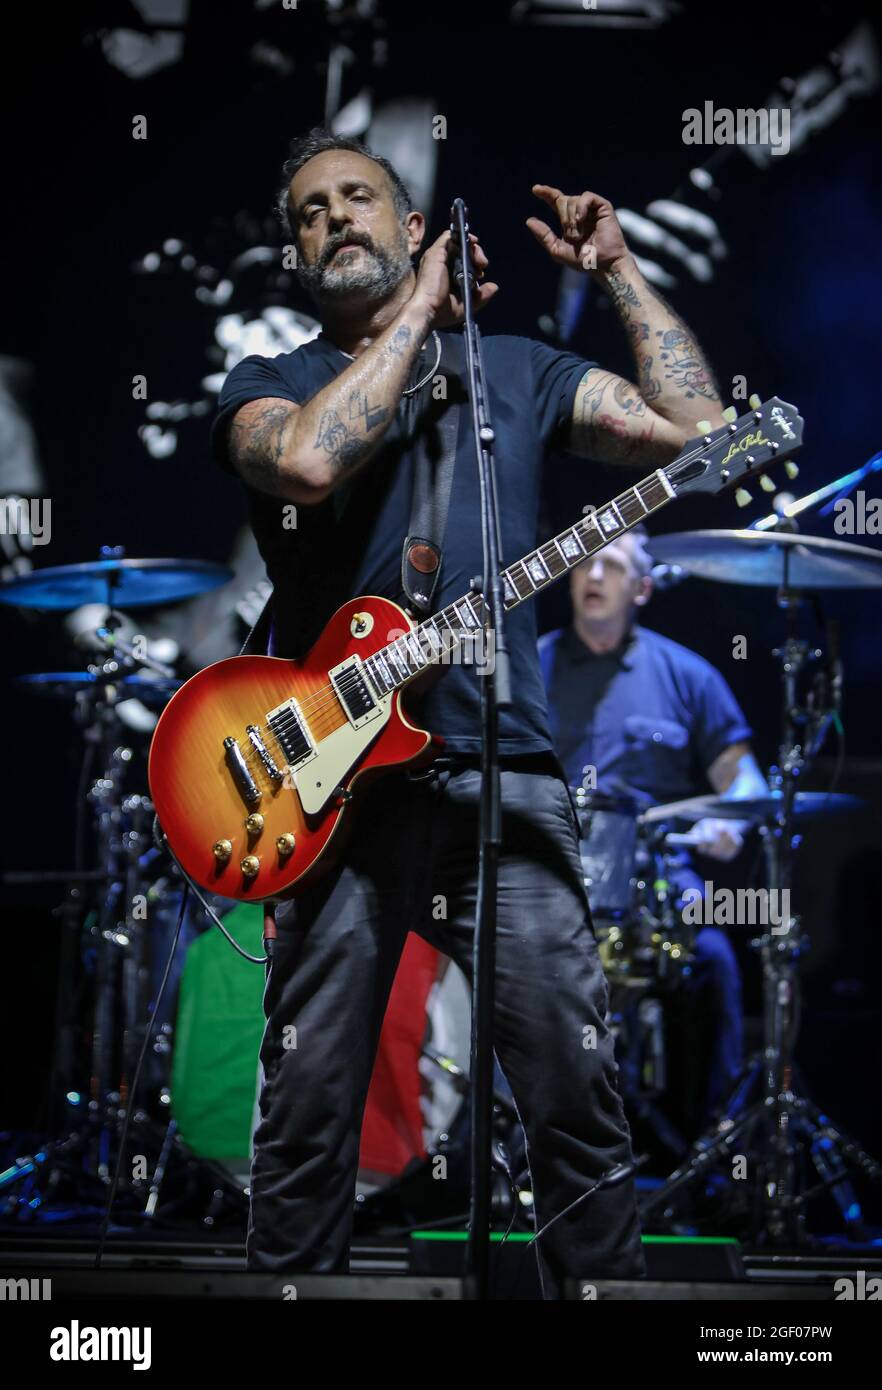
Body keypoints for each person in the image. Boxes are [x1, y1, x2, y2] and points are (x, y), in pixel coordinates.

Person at [209, 126, 726, 1294]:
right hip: (335, 792)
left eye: (359, 198)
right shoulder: (268, 384)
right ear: (295, 254)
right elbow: (301, 466)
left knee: (570, 1089)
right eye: (309, 210)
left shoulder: (523, 371)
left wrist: (621, 274)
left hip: (510, 767)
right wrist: (413, 319)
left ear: (412, 225)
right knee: (306, 1105)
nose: (335, 216)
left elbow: (699, 444)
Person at [539, 527, 768, 1138]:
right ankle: (515, 1153)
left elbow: (745, 782)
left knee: (715, 964)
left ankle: (696, 1147)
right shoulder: (527, 667)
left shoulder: (686, 675)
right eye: (582, 564)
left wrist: (728, 819)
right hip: (550, 881)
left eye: (611, 566)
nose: (591, 576)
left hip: (658, 886)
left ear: (642, 587)